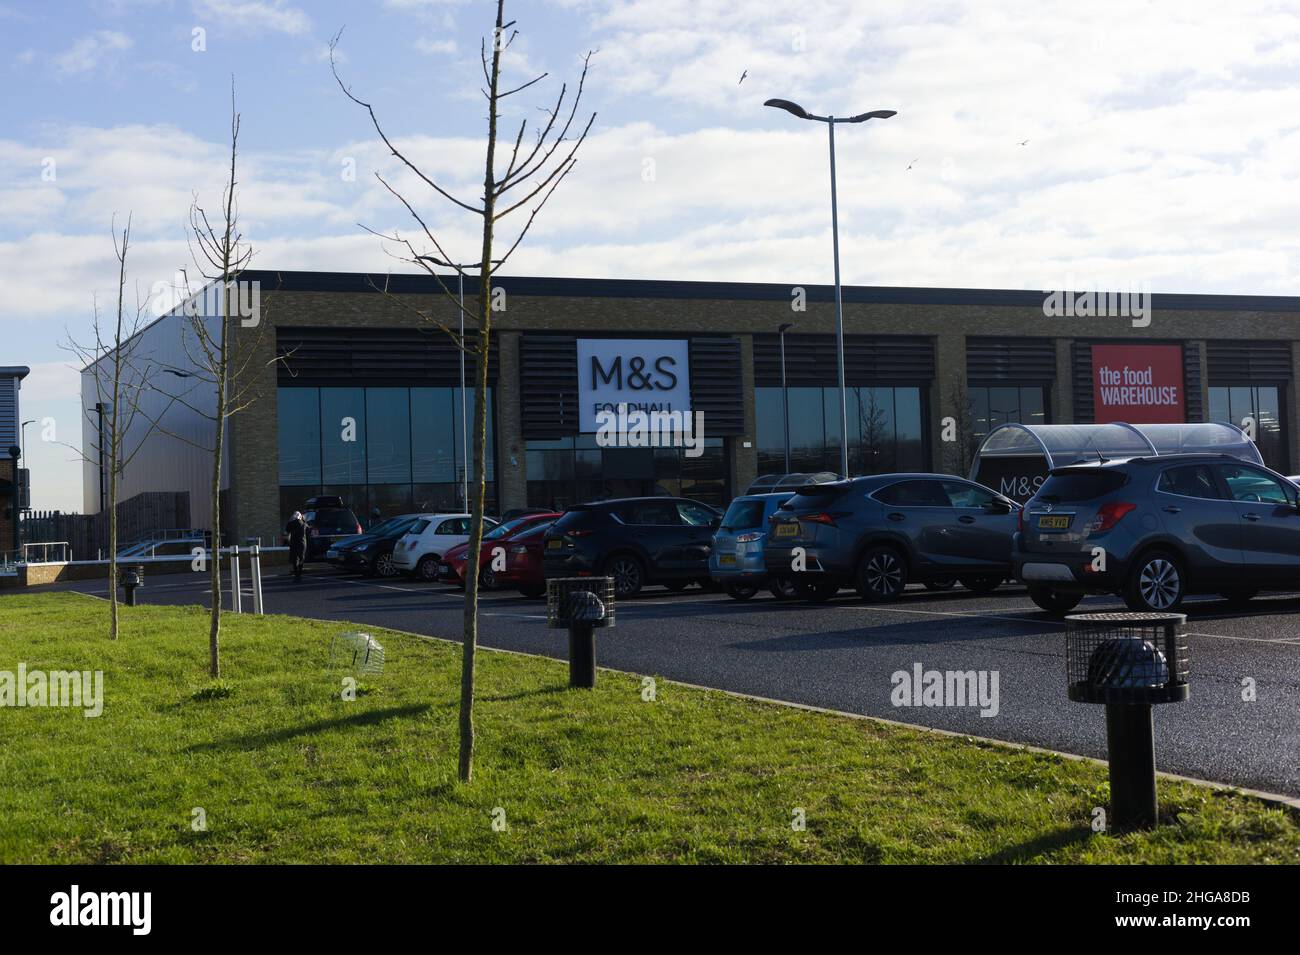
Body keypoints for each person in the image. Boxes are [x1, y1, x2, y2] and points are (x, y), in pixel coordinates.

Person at [285, 510, 308, 580]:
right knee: (301, 558)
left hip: (294, 543)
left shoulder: (291, 523)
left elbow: (286, 531)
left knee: (295, 559)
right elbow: (309, 531)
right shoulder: (304, 524)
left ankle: (296, 574)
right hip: (302, 543)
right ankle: (300, 573)